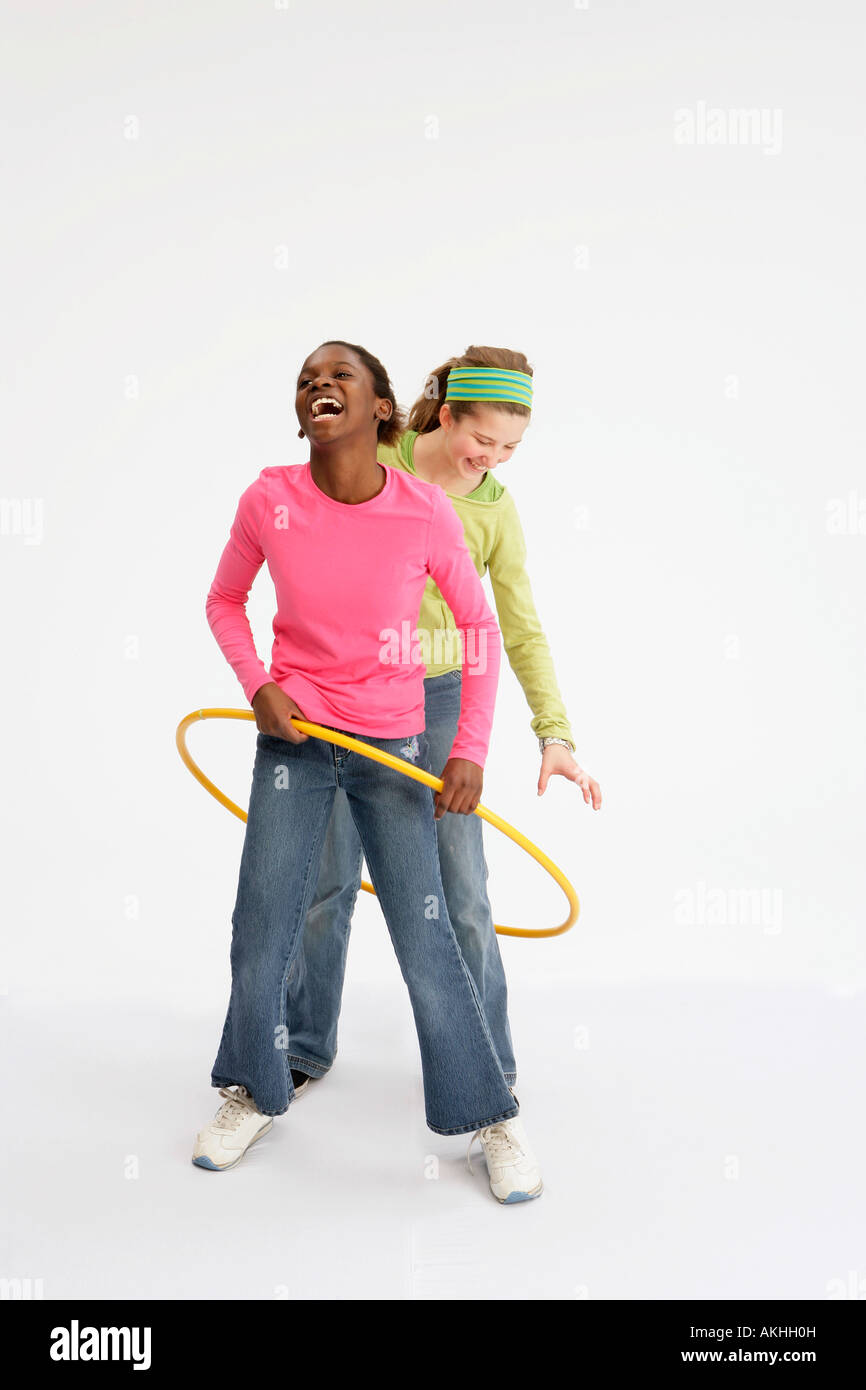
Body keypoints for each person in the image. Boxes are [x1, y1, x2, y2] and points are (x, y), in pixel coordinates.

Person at [192, 340, 538, 1202]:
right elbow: (222, 601)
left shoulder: (426, 512)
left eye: (340, 375)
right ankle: (253, 1087)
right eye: (308, 377)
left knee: (429, 936)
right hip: (297, 741)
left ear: (382, 408)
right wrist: (259, 686)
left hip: (395, 746)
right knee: (265, 919)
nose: (320, 384)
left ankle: (489, 1113)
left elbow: (480, 632)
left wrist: (469, 750)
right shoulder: (268, 500)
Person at [285, 347, 602, 1194]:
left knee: (460, 889)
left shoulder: (495, 513)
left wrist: (554, 732)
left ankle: (489, 1086)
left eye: (508, 449)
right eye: (482, 439)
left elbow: (518, 627)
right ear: (447, 413)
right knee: (322, 877)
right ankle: (299, 1048)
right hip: (346, 696)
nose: (489, 459)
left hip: (441, 702)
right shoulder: (374, 461)